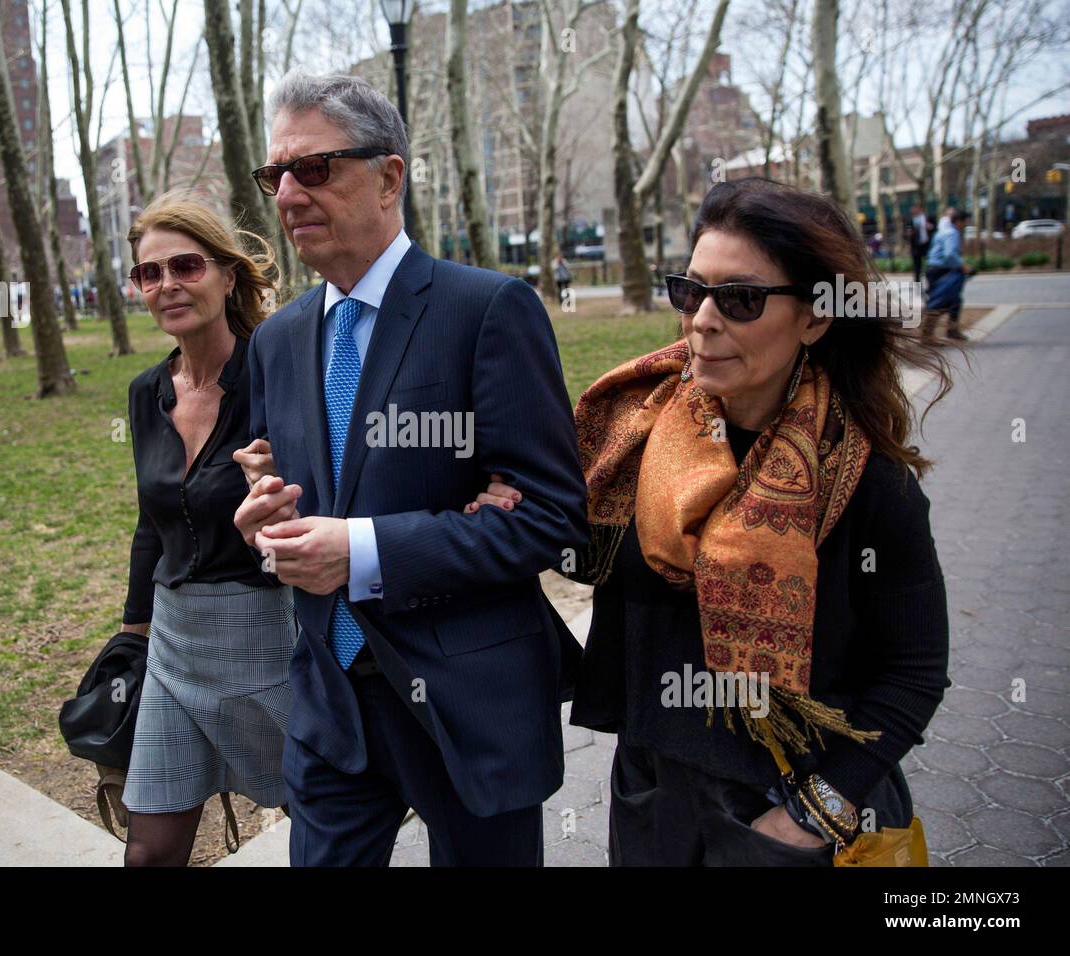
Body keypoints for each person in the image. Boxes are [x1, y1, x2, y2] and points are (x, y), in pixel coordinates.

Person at [488, 177, 953, 865]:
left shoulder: (867, 483)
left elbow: (914, 671)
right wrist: (512, 511)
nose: (703, 319)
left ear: (816, 318)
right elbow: (577, 552)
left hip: (793, 809)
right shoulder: (631, 440)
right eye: (691, 290)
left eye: (740, 299)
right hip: (652, 796)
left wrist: (813, 814)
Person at [233, 71, 588, 867]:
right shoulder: (276, 343)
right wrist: (266, 521)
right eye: (275, 175)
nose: (288, 194)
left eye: (313, 169)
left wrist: (362, 550)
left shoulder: (488, 311)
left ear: (390, 176)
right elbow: (300, 495)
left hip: (467, 704)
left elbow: (552, 519)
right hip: (332, 704)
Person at [118, 191, 296, 867]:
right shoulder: (146, 392)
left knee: (321, 810)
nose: (167, 285)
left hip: (265, 631)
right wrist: (132, 634)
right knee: (150, 851)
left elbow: (331, 496)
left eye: (186, 266)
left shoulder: (275, 371)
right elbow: (149, 522)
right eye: (149, 273)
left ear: (227, 274)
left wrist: (281, 490)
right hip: (173, 643)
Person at [922, 207, 972, 342]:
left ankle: (951, 330)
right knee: (940, 301)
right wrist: (964, 266)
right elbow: (950, 255)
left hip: (936, 269)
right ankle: (927, 335)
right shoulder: (951, 233)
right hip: (940, 271)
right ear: (959, 221)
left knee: (954, 301)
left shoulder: (944, 230)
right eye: (965, 222)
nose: (966, 225)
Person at [904, 204, 933, 283]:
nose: (913, 211)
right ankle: (917, 284)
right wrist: (908, 233)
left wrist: (930, 227)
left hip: (926, 245)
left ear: (920, 209)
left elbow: (934, 228)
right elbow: (906, 232)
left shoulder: (928, 217)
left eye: (914, 209)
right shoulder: (910, 219)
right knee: (917, 267)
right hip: (916, 246)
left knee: (930, 264)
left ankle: (931, 282)